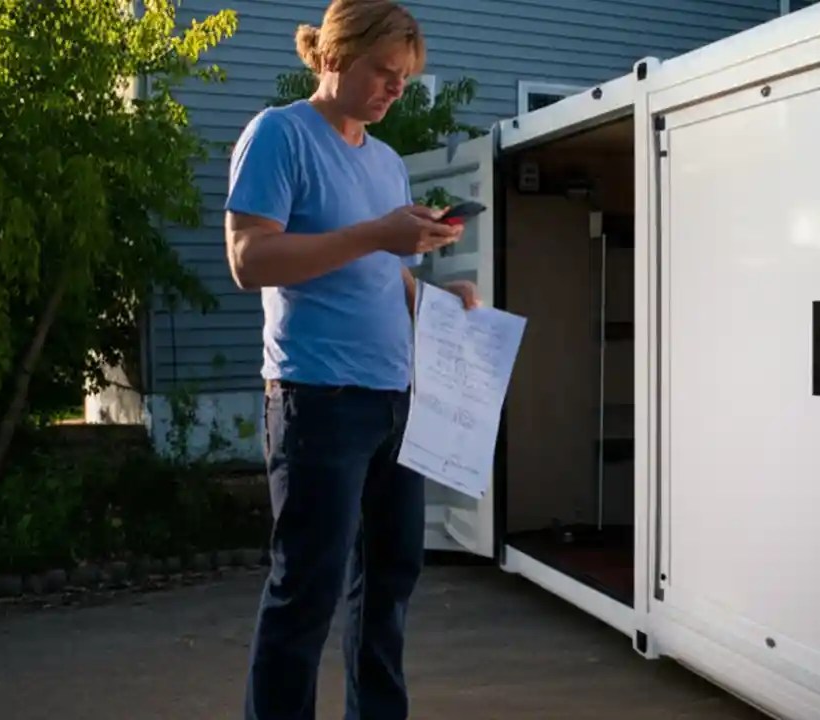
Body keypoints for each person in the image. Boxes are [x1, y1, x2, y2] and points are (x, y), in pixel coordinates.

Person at [221, 1, 478, 718]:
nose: (396, 89)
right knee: (306, 590)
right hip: (316, 402)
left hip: (395, 398)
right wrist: (377, 235)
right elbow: (249, 260)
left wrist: (435, 299)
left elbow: (383, 272)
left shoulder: (388, 163)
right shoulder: (279, 135)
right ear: (334, 56)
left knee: (390, 582)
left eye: (405, 78)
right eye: (384, 72)